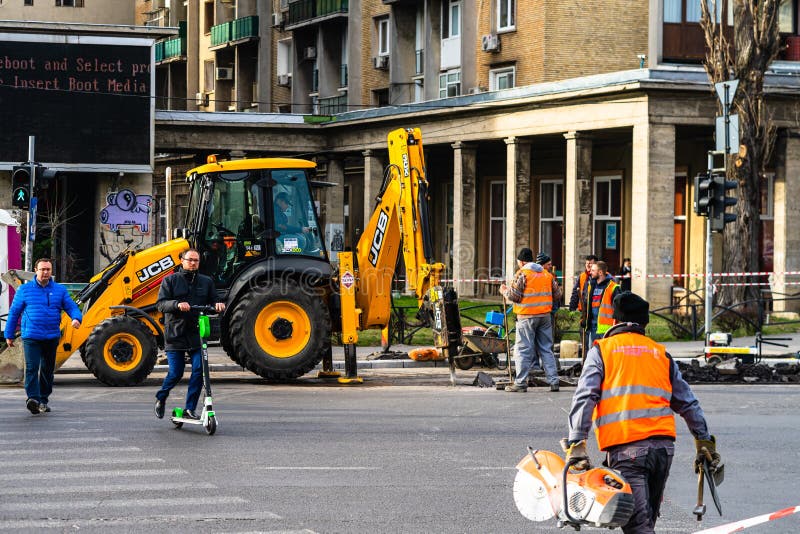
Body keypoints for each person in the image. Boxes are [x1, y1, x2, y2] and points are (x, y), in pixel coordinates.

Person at [565, 291, 722, 534]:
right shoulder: (659, 353)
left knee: (638, 527)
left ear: (614, 321)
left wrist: (577, 444)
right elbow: (688, 402)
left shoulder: (603, 350)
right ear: (645, 323)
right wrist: (703, 441)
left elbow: (586, 397)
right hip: (663, 451)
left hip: (628, 451)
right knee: (645, 521)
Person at [154, 249, 226, 420]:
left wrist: (218, 305)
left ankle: (189, 408)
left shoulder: (206, 281)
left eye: (196, 260)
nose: (193, 263)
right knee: (176, 373)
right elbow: (161, 304)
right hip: (175, 334)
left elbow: (214, 299)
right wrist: (177, 304)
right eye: (190, 260)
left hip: (196, 334)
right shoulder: (170, 280)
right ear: (182, 260)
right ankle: (161, 397)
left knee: (200, 370)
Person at [4, 258, 82, 415]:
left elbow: (72, 306)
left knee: (47, 370)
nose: (45, 272)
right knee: (32, 368)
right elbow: (14, 313)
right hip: (31, 336)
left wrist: (76, 318)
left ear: (51, 271)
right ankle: (32, 399)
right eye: (42, 269)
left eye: (48, 269)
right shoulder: (24, 290)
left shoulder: (59, 290)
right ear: (36, 270)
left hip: (51, 336)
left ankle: (43, 400)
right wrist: (9, 334)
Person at [499, 247, 559, 392]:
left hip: (527, 316)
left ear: (521, 262)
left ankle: (520, 383)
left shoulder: (522, 274)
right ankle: (554, 381)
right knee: (546, 349)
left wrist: (504, 291)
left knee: (523, 349)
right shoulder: (546, 274)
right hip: (544, 316)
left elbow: (514, 296)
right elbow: (557, 294)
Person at [533, 252, 563, 371]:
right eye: (548, 264)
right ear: (542, 264)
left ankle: (537, 367)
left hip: (540, 312)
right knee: (545, 343)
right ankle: (549, 371)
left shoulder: (544, 276)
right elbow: (557, 295)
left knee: (539, 342)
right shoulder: (547, 277)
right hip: (544, 313)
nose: (550, 266)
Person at [584, 260, 620, 346]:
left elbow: (619, 309)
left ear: (600, 272)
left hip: (607, 330)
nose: (590, 272)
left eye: (593, 270)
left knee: (605, 356)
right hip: (593, 328)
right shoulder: (591, 285)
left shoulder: (613, 287)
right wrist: (585, 318)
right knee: (593, 356)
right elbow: (588, 304)